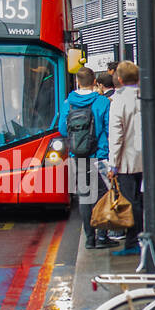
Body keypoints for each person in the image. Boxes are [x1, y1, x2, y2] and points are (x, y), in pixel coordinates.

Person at [58, 66, 111, 249]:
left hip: (77, 154)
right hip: (100, 154)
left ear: (78, 82)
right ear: (94, 82)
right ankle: (102, 236)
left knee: (85, 196)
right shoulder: (103, 102)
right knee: (102, 195)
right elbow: (109, 128)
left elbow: (62, 130)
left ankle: (89, 239)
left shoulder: (69, 103)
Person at [106, 60, 143, 254]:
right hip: (149, 160)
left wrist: (113, 165)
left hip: (126, 162)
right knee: (144, 201)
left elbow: (116, 136)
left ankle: (132, 243)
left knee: (130, 202)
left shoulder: (118, 101)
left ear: (119, 79)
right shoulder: (147, 97)